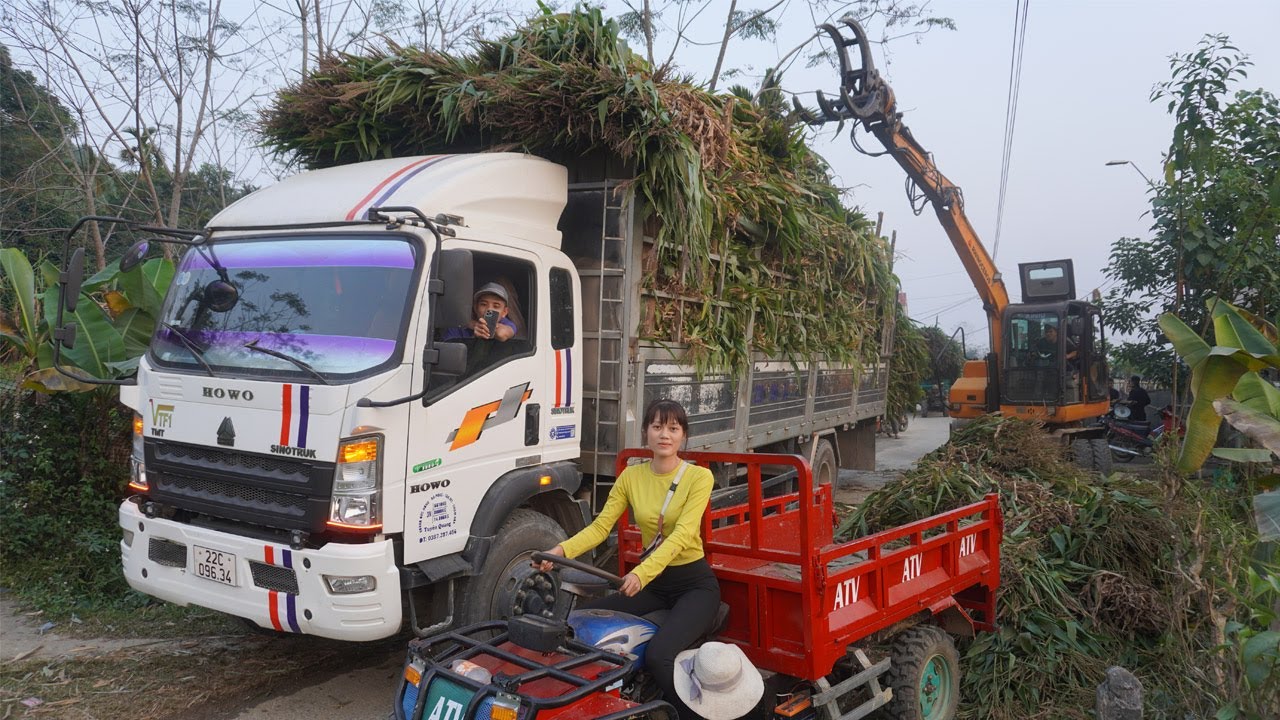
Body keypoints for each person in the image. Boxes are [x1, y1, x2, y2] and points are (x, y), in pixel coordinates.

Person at [536, 399, 720, 720]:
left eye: (673, 428)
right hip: (656, 585)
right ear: (646, 432)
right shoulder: (631, 477)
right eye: (658, 426)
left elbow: (682, 535)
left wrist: (640, 573)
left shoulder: (698, 478)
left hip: (694, 586)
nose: (665, 434)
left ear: (683, 436)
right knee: (580, 623)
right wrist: (560, 552)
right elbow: (599, 528)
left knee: (660, 655)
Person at [442, 282, 517, 342]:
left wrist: (488, 329)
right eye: (483, 304)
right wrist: (473, 331)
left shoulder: (506, 323)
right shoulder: (459, 326)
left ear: (504, 312)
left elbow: (504, 333)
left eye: (496, 306)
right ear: (475, 307)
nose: (489, 309)